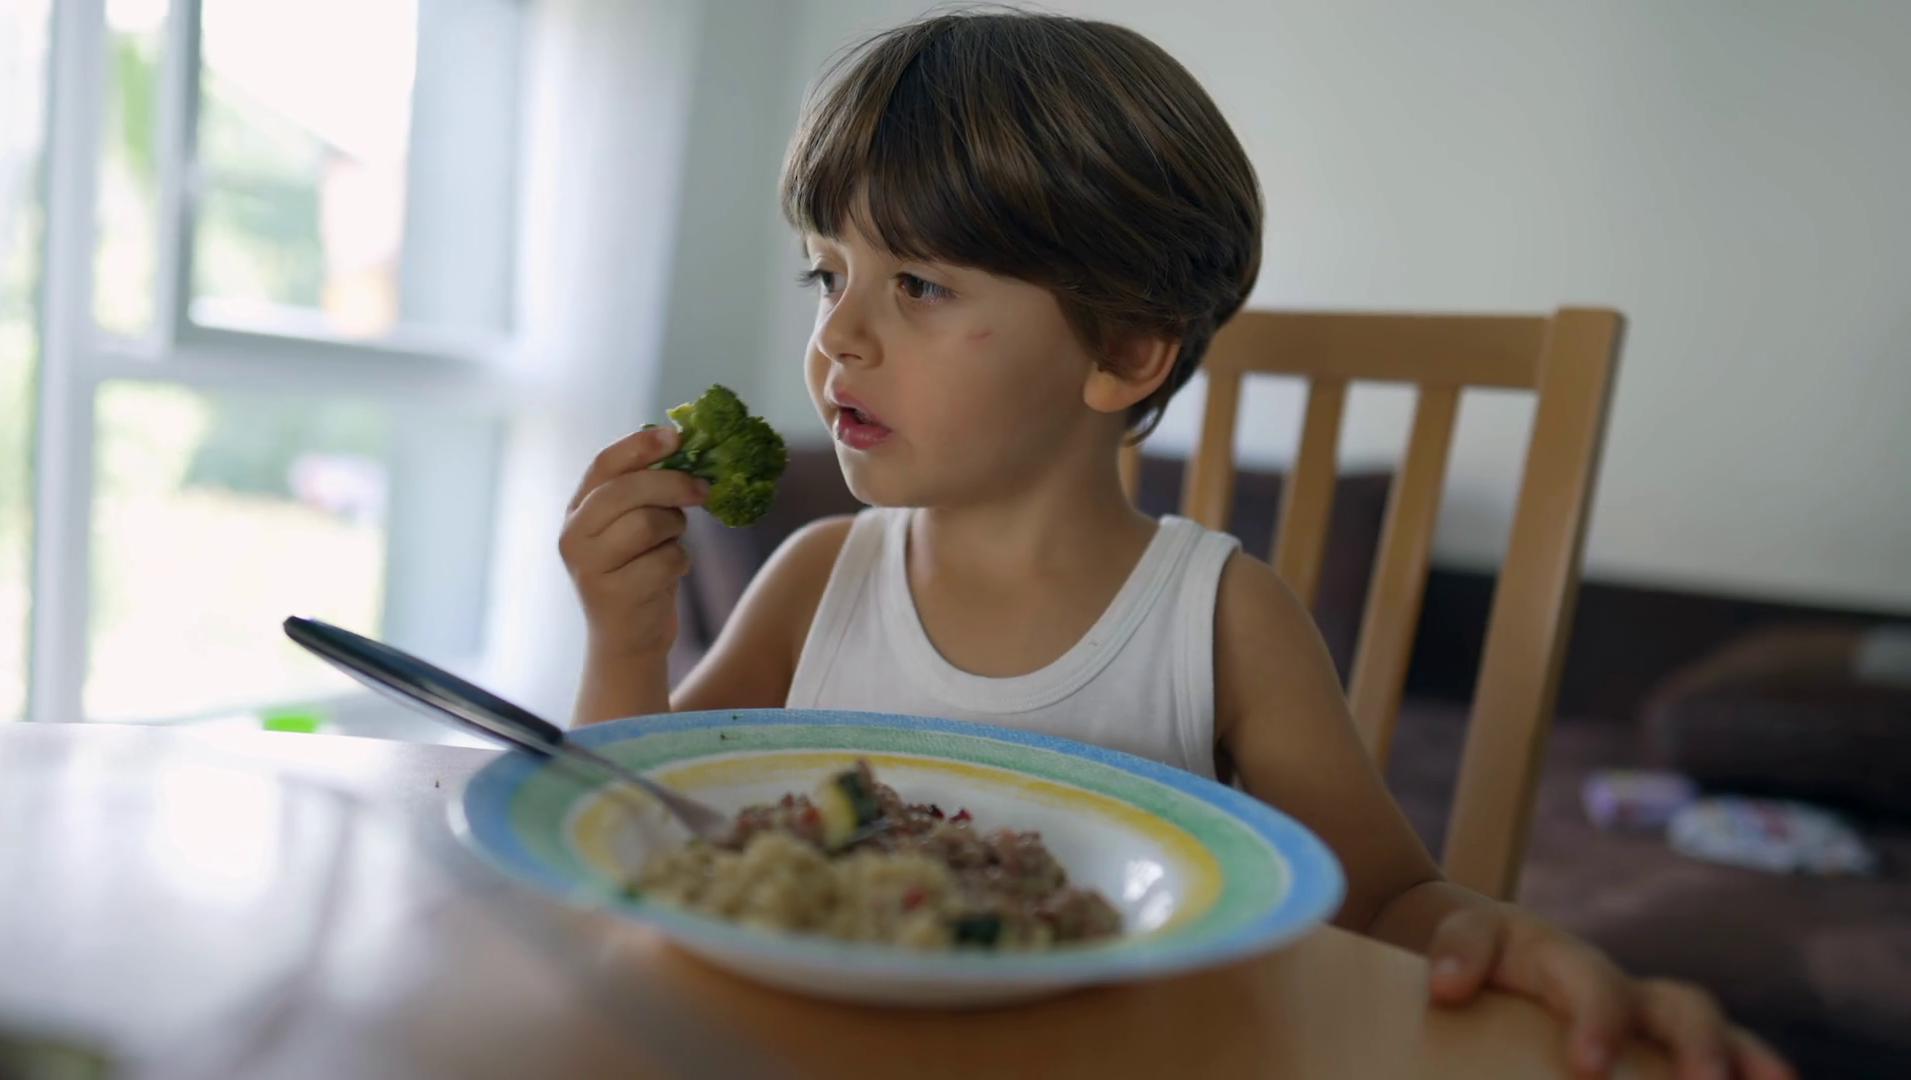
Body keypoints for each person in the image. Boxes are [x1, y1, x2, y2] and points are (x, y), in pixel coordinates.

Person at [558, 11, 1791, 1079]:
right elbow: (629, 816)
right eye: (826, 276)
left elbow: (1383, 904)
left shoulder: (1223, 617)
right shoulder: (818, 577)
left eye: (919, 285)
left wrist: (1501, 936)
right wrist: (626, 639)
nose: (840, 340)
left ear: (1126, 351)